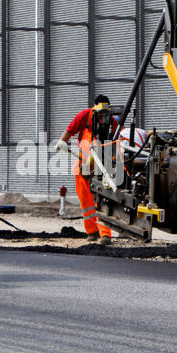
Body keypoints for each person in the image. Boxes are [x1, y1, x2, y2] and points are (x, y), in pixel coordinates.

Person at [55, 94, 117, 242]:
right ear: (94, 107)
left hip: (101, 164)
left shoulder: (111, 121)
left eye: (105, 112)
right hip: (83, 163)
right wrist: (61, 142)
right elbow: (69, 130)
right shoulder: (84, 115)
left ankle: (105, 234)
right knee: (85, 200)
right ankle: (91, 232)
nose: (102, 115)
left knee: (101, 199)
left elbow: (119, 136)